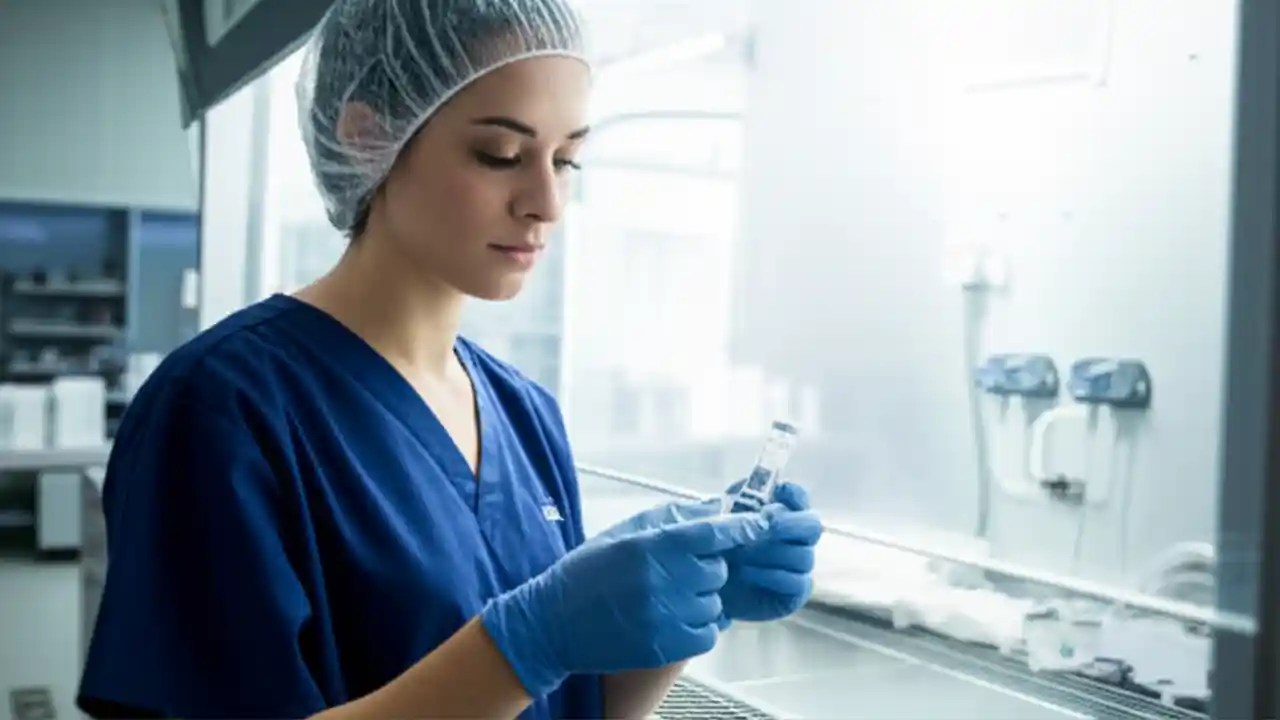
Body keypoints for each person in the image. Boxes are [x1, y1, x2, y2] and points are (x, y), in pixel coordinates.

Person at [76, 0, 823, 718]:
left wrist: (684, 606)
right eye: (501, 155)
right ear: (369, 135)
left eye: (567, 160)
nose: (545, 202)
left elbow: (566, 708)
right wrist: (529, 640)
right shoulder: (224, 407)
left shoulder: (524, 412)